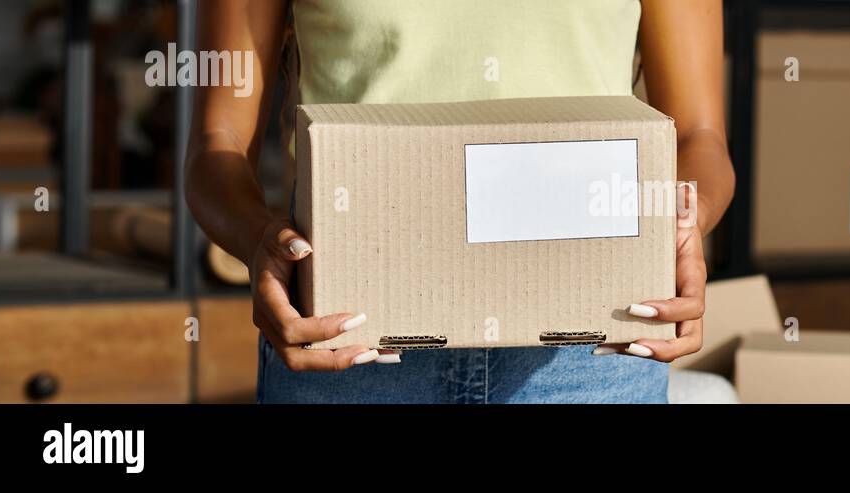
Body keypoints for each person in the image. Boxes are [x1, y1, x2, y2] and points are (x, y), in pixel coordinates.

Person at [185, 0, 735, 403]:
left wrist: (684, 223)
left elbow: (699, 138)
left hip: (588, 356)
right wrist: (260, 241)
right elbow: (219, 143)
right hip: (350, 352)